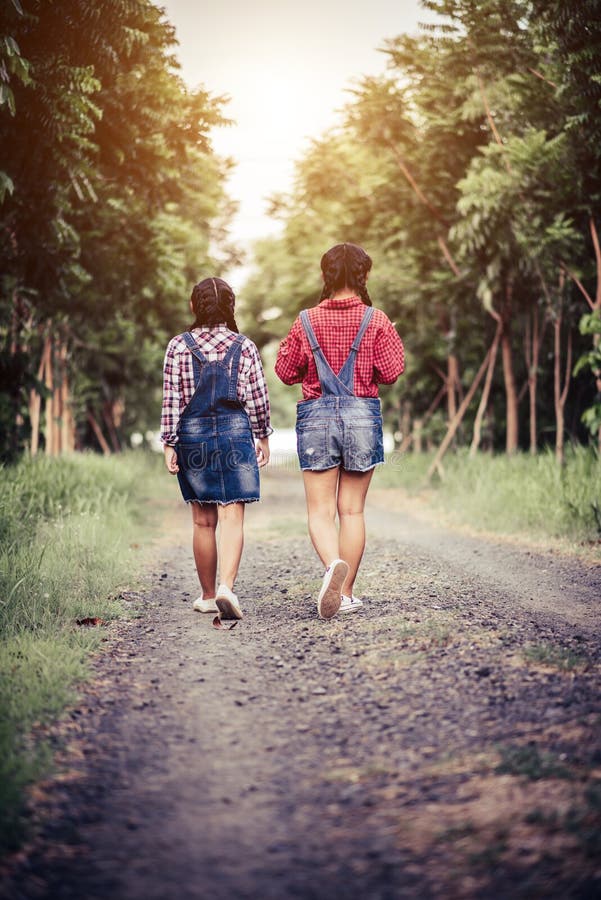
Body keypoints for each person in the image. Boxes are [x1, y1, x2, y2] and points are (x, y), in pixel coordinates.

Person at [275, 243, 404, 620]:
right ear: (363, 276)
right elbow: (392, 372)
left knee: (319, 512)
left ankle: (333, 565)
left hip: (317, 417)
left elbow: (285, 372)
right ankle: (344, 594)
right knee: (352, 511)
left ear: (325, 276)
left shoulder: (305, 320)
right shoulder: (376, 319)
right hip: (362, 415)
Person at [161, 277, 271, 620]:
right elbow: (257, 398)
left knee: (203, 521)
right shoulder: (245, 346)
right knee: (231, 514)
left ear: (194, 306)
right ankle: (227, 587)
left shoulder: (178, 346)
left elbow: (171, 400)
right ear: (231, 307)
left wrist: (169, 443)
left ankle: (208, 596)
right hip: (235, 433)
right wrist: (263, 435)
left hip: (192, 435)